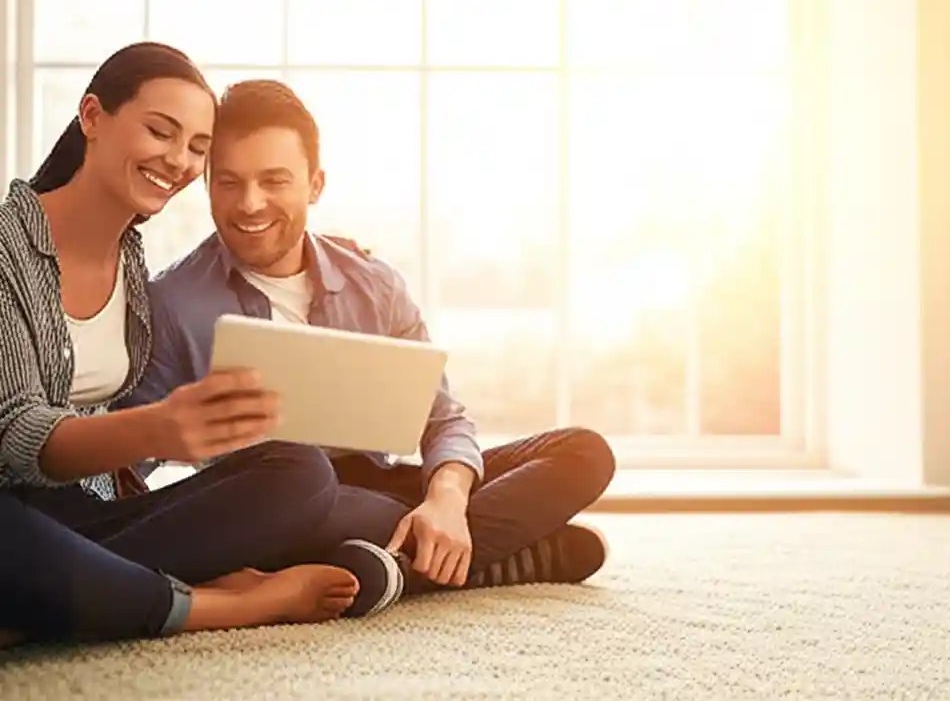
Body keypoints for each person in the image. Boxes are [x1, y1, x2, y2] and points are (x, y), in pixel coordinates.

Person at [119, 79, 616, 616]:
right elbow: (129, 461)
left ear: (315, 185)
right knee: (307, 493)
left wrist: (446, 501)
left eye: (274, 181)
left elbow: (444, 420)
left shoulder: (373, 283)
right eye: (230, 183)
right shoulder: (172, 304)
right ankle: (489, 551)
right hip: (279, 505)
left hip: (386, 491)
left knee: (585, 453)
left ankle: (398, 568)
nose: (250, 204)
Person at [0, 43, 367, 649]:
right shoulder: (9, 246)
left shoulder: (132, 261)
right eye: (160, 132)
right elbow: (16, 435)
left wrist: (325, 249)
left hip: (85, 515)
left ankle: (58, 597)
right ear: (92, 117)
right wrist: (159, 430)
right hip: (12, 509)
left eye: (197, 147)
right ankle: (224, 603)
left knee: (301, 472)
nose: (178, 160)